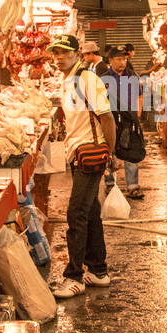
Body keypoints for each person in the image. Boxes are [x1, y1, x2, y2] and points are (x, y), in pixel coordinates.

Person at [47, 33, 116, 299]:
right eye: (56, 52)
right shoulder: (66, 80)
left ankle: (74, 276)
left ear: (77, 53)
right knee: (90, 213)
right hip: (77, 152)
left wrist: (110, 153)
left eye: (65, 52)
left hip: (91, 153)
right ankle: (98, 271)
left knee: (76, 213)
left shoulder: (88, 79)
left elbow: (107, 117)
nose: (59, 57)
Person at [103, 46, 145, 199]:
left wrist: (137, 114)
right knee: (109, 153)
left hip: (129, 121)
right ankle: (110, 185)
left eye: (125, 59)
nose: (123, 62)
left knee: (130, 151)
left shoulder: (133, 76)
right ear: (111, 60)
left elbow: (140, 97)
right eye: (119, 59)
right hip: (110, 120)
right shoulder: (103, 79)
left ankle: (133, 186)